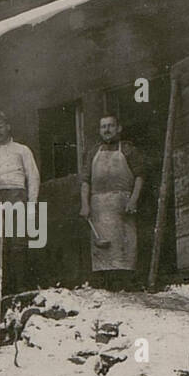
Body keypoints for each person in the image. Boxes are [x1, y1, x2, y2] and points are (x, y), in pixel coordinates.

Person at [0, 109, 40, 295]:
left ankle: (21, 286)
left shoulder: (22, 150)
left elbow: (33, 177)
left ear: (8, 126)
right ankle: (2, 289)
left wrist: (32, 205)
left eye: (0, 127)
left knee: (18, 241)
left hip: (16, 196)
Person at [81, 114, 146, 290]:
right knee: (101, 248)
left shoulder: (127, 150)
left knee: (125, 246)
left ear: (119, 128)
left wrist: (133, 200)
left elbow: (140, 176)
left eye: (110, 126)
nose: (107, 130)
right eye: (103, 127)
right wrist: (85, 205)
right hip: (98, 207)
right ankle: (105, 285)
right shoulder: (93, 152)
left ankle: (126, 284)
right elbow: (85, 181)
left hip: (122, 205)